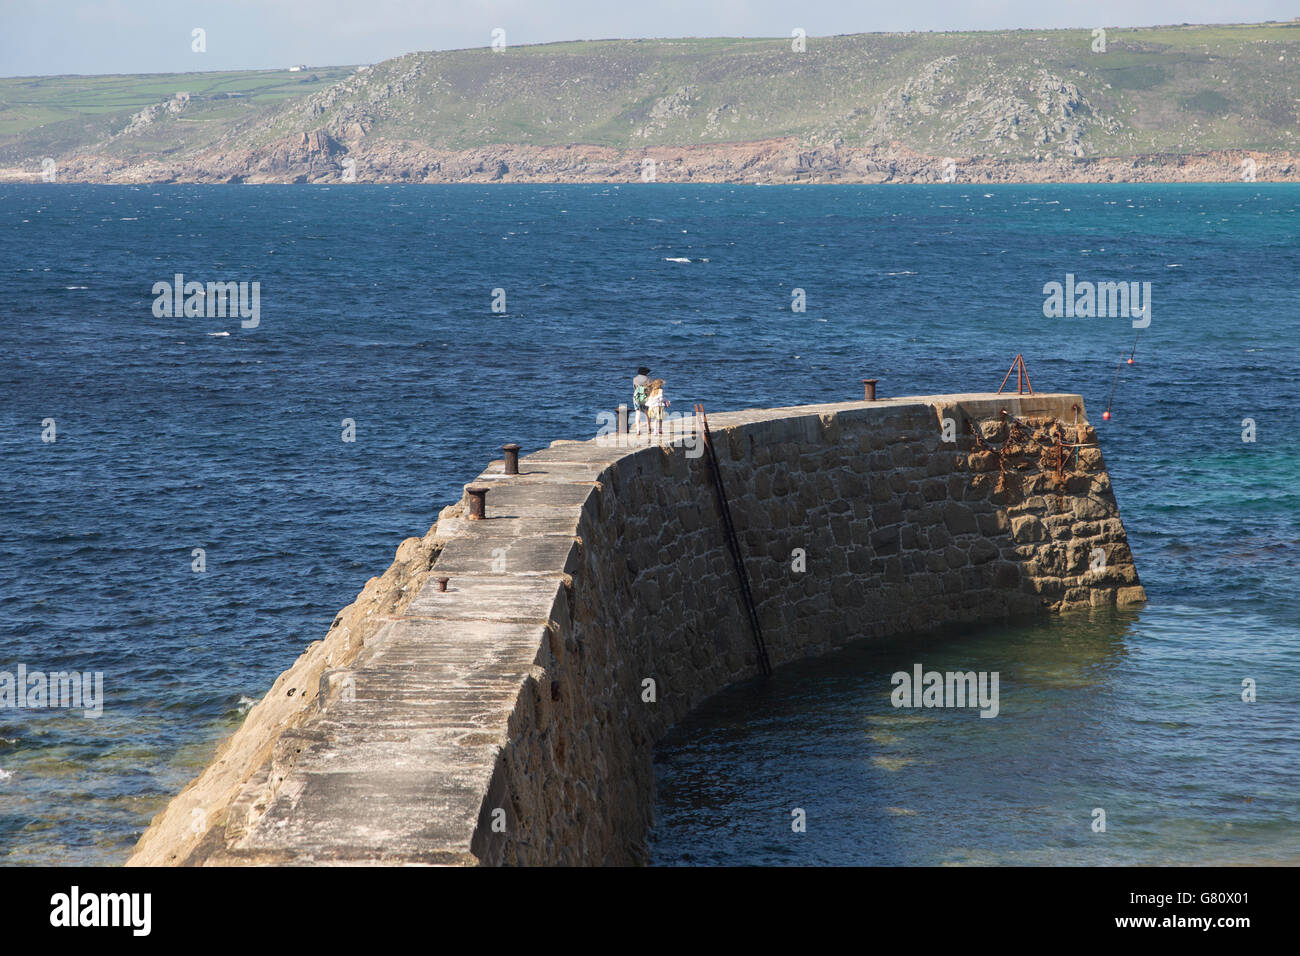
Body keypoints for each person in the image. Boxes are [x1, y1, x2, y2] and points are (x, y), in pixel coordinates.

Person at [632, 366, 651, 436]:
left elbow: (634, 388)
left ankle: (638, 430)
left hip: (636, 396)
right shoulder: (647, 379)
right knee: (647, 413)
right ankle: (648, 429)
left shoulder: (635, 379)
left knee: (638, 413)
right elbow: (649, 389)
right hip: (645, 396)